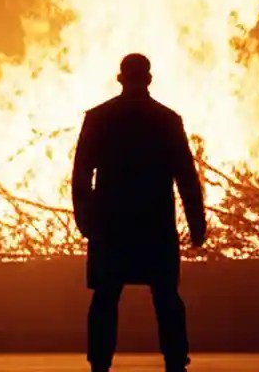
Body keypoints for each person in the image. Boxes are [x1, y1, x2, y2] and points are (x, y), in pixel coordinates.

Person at [72, 54, 205, 372]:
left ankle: (100, 362)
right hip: (154, 227)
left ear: (121, 79)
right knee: (166, 298)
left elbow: (80, 176)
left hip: (111, 228)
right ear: (148, 80)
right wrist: (196, 223)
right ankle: (175, 360)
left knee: (105, 297)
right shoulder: (167, 120)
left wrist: (86, 221)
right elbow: (185, 176)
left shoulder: (99, 117)